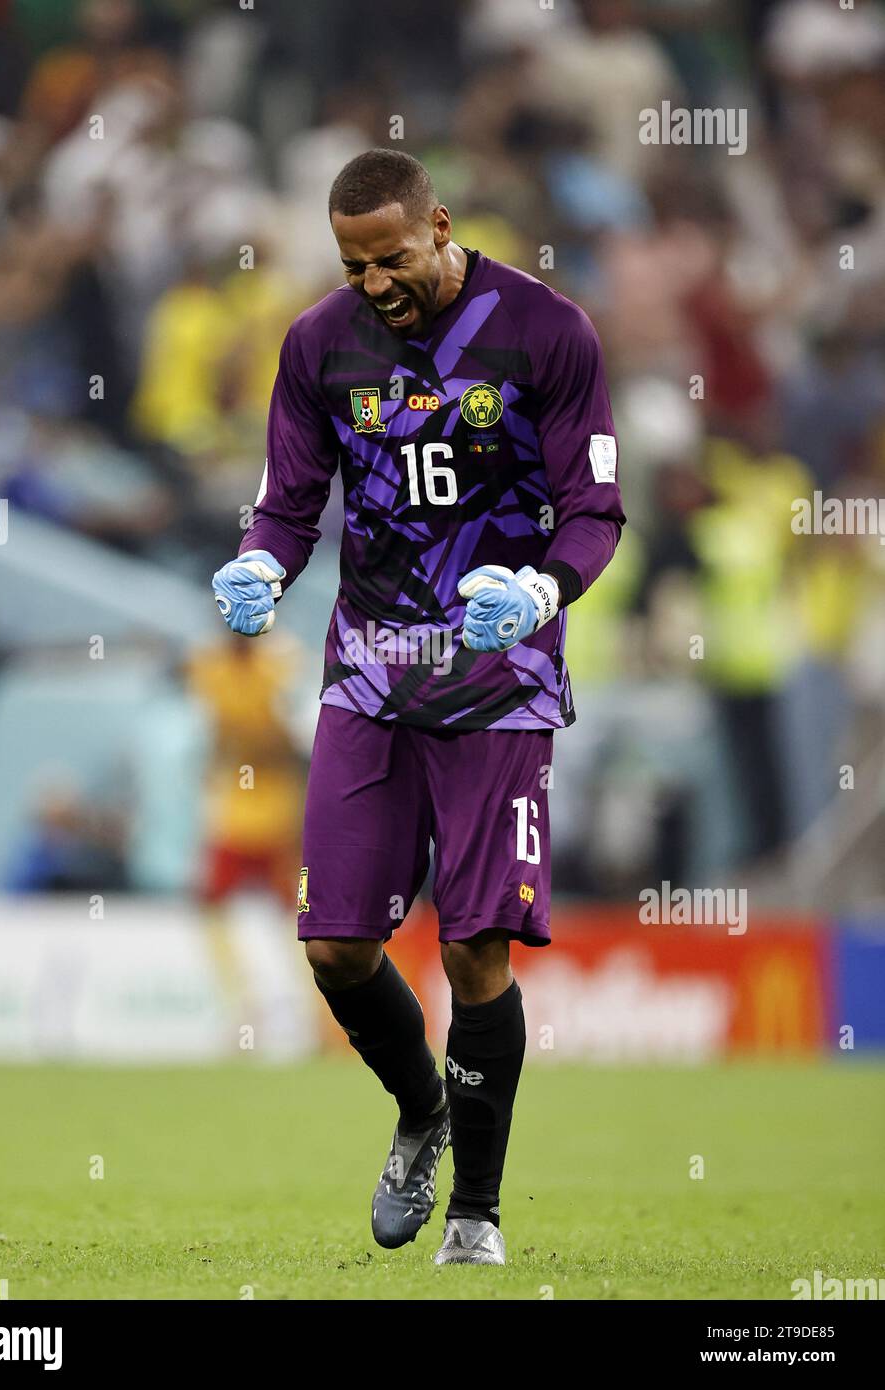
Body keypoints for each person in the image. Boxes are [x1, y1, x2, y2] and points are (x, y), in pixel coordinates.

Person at [212, 149, 625, 1265]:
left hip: (500, 675)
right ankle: (419, 1109)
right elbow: (289, 503)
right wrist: (260, 561)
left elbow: (593, 510)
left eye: (391, 257)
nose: (374, 282)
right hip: (368, 672)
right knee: (338, 945)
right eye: (353, 264)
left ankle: (477, 1218)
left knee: (477, 946)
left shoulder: (545, 332)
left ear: (438, 224)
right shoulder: (317, 345)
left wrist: (539, 586)